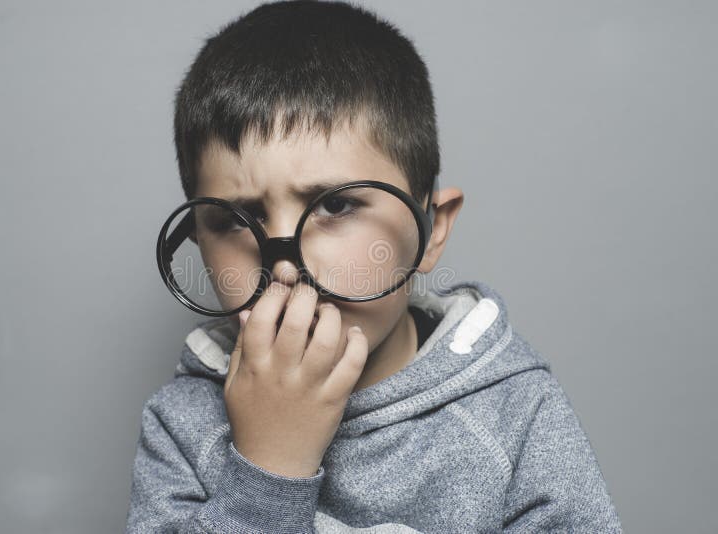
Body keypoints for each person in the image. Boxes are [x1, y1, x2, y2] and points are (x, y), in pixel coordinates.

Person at [125, 1, 623, 532]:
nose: (286, 271)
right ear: (198, 241)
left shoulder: (517, 416)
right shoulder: (182, 425)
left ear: (431, 230)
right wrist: (267, 470)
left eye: (336, 206)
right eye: (237, 220)